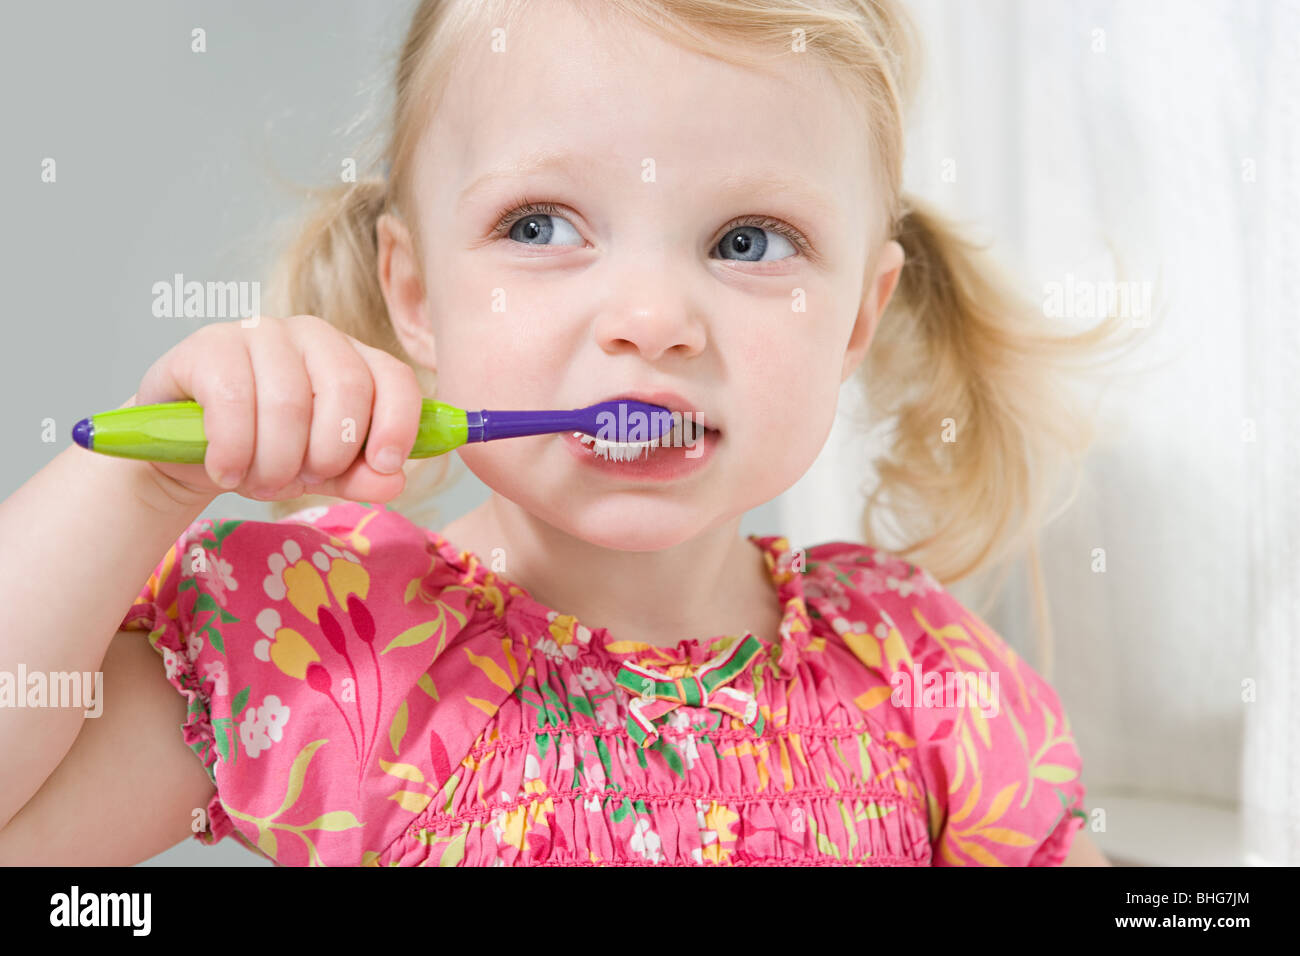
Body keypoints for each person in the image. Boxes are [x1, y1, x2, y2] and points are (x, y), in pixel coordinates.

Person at [1, 0, 1133, 865]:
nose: (651, 321)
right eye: (540, 224)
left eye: (748, 241)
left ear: (857, 316)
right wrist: (132, 492)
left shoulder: (923, 670)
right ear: (416, 294)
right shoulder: (339, 650)